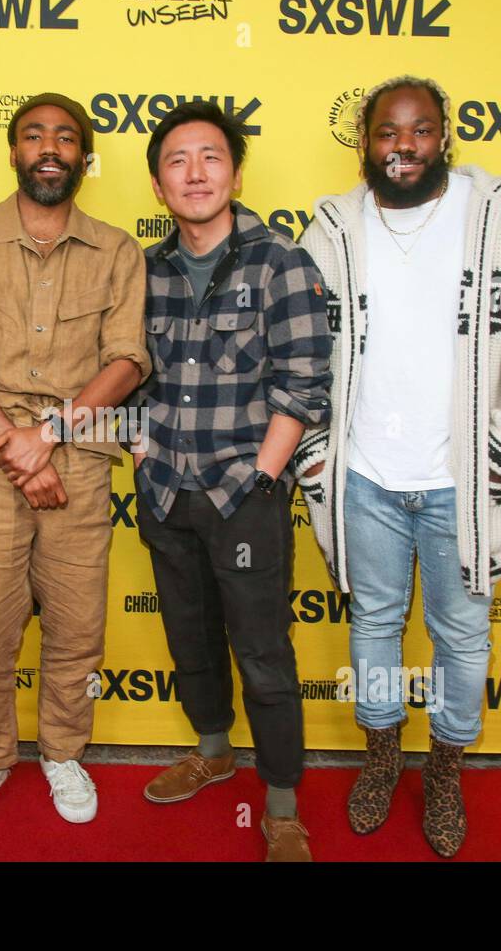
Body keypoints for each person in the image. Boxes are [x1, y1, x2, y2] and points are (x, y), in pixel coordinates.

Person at [291, 75, 501, 857]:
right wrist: (317, 458)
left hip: (463, 487)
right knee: (375, 625)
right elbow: (298, 348)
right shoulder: (332, 228)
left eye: (419, 131)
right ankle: (383, 757)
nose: (403, 146)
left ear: (443, 136)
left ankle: (444, 769)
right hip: (365, 482)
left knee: (463, 638)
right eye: (387, 132)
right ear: (366, 143)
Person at [0, 93, 150, 834]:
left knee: (78, 625)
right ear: (12, 151)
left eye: (65, 138)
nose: (49, 148)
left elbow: (126, 360)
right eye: (33, 136)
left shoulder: (117, 249)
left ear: (85, 157)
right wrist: (16, 445)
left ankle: (62, 752)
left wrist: (47, 435)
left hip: (79, 458)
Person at [130, 101, 332, 862]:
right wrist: (144, 455)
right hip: (164, 495)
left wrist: (262, 479)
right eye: (178, 161)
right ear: (158, 185)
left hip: (245, 497)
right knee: (189, 638)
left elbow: (306, 384)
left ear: (236, 172)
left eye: (211, 157)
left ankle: (282, 804)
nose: (195, 173)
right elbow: (127, 376)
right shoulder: (143, 271)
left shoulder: (281, 262)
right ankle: (213, 751)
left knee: (263, 653)